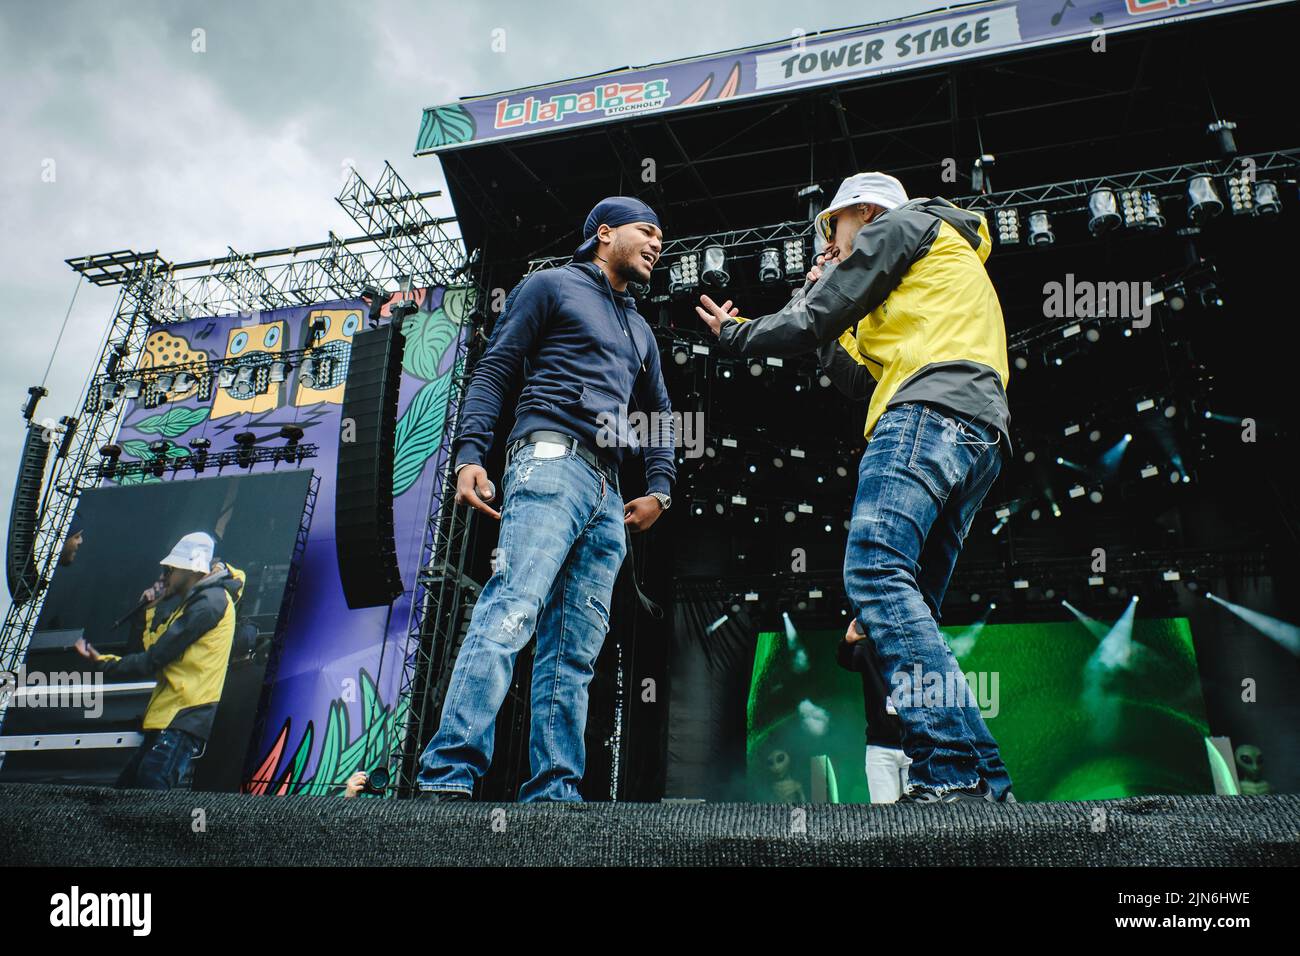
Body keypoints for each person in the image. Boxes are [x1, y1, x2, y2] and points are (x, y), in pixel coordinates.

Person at [696, 171, 1015, 804]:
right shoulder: (924, 274)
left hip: (928, 413)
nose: (832, 243)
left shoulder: (903, 223)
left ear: (862, 213)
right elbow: (856, 375)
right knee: (904, 600)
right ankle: (981, 778)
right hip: (975, 429)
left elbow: (811, 320)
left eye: (834, 228)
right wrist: (824, 311)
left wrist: (738, 336)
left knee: (873, 574)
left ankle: (952, 769)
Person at [416, 196, 675, 803]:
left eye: (662, 236)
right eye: (648, 231)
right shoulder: (549, 285)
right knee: (512, 609)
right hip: (549, 461)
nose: (658, 244)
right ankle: (447, 777)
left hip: (609, 491)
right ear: (603, 233)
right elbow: (494, 368)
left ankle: (554, 791)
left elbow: (663, 413)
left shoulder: (641, 329)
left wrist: (660, 488)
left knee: (576, 650)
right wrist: (470, 454)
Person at [75, 532, 245, 791]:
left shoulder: (209, 603)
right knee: (128, 795)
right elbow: (151, 649)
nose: (164, 577)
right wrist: (149, 608)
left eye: (169, 570)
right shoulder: (193, 604)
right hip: (169, 717)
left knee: (150, 797)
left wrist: (103, 662)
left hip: (183, 716)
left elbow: (151, 661)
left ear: (189, 568)